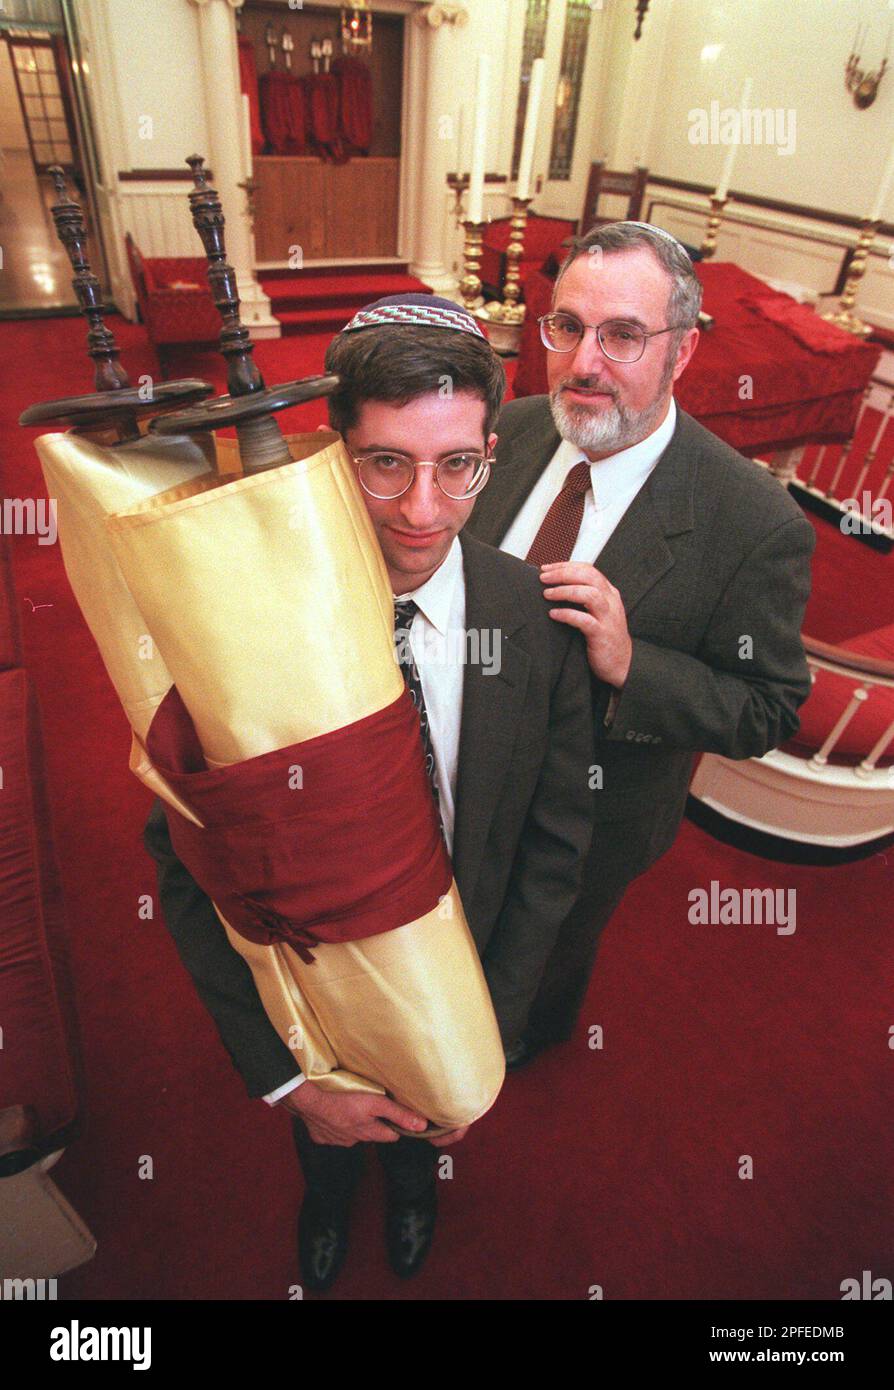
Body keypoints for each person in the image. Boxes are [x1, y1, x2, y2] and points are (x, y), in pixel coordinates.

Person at [142, 294, 595, 1292]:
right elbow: (186, 872)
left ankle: (415, 1186)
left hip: (459, 980)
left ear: (490, 450)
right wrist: (289, 1081)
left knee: (418, 1135)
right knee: (335, 1139)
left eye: (456, 465)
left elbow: (555, 848)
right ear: (330, 449)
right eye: (384, 462)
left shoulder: (532, 616)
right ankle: (324, 1187)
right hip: (319, 995)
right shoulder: (245, 632)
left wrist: (493, 1033)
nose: (423, 510)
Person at [465, 220, 815, 1068]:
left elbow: (769, 707)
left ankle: (524, 1043)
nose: (585, 362)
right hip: (454, 766)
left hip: (591, 820)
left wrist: (632, 667)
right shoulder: (500, 432)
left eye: (623, 335)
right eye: (568, 327)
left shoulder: (754, 522)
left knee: (544, 961)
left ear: (683, 353)